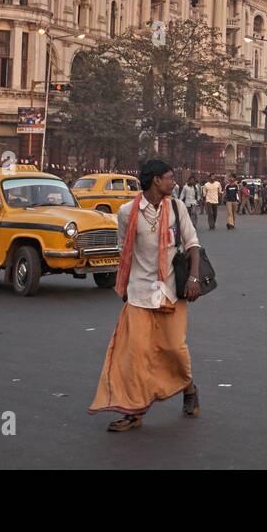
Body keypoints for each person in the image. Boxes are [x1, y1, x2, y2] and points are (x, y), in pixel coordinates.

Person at [89, 157, 203, 432]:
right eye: (170, 177)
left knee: (174, 349)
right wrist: (124, 285)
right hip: (139, 292)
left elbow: (193, 244)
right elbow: (123, 251)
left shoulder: (177, 208)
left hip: (171, 292)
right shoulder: (128, 212)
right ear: (156, 181)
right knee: (136, 354)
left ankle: (188, 388)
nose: (173, 182)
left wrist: (194, 278)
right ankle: (134, 412)